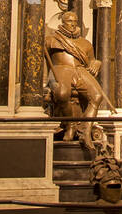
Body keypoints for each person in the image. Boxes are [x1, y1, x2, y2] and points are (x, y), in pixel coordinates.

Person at [45, 10, 112, 145]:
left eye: (75, 21)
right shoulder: (51, 40)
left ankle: (85, 131)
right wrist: (45, 83)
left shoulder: (85, 43)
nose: (73, 24)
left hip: (80, 70)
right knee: (62, 94)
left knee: (97, 96)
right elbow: (45, 64)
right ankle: (71, 125)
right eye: (70, 21)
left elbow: (92, 60)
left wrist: (96, 63)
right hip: (61, 68)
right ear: (63, 22)